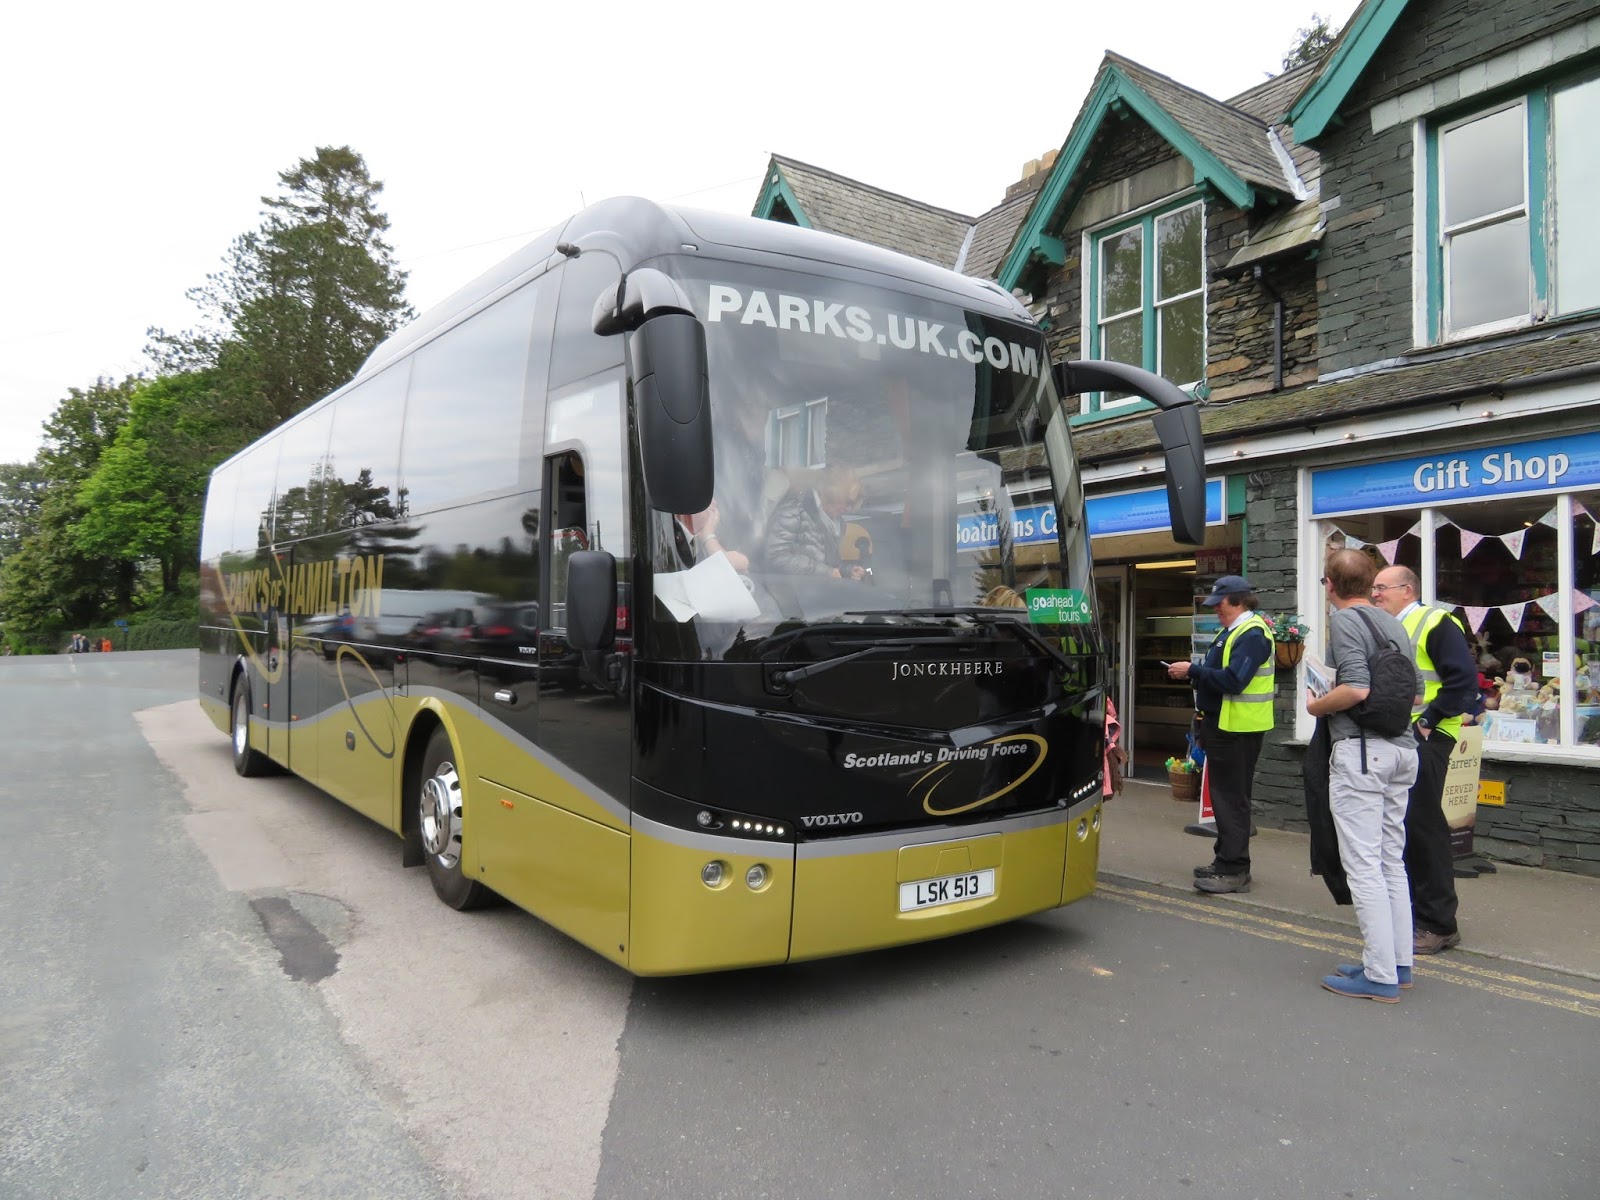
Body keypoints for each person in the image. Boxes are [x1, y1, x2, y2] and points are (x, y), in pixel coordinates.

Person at [1308, 549, 1423, 1002]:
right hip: (1403, 750)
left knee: (1363, 865)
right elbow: (1416, 695)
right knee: (1391, 860)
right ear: (1370, 584)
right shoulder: (1393, 623)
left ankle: (1378, 975)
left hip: (1362, 753)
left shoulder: (1344, 621)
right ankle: (1397, 963)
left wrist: (1317, 705)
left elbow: (1356, 687)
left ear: (1330, 585)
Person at [1372, 565, 1476, 955]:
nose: (1375, 594)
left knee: (1422, 826)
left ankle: (1439, 925)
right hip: (1400, 737)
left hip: (1426, 739)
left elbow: (1463, 682)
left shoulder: (1435, 622)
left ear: (1407, 589)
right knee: (1402, 827)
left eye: (1382, 587)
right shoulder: (1388, 626)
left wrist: (1428, 722)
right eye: (1373, 588)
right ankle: (1413, 915)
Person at [1167, 574, 1274, 894]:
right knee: (1225, 798)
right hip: (1224, 725)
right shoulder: (1233, 630)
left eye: (1220, 603)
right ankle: (1224, 861)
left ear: (1239, 601)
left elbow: (1234, 680)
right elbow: (1219, 673)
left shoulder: (1252, 634)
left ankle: (1235, 869)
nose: (1216, 609)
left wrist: (1192, 670)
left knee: (1232, 800)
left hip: (1238, 728)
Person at [764, 465, 866, 579]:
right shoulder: (795, 508)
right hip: (788, 588)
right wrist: (827, 572)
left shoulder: (835, 523)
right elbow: (776, 557)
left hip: (816, 588)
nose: (849, 509)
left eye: (852, 504)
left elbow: (827, 564)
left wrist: (847, 571)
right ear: (833, 494)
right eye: (848, 502)